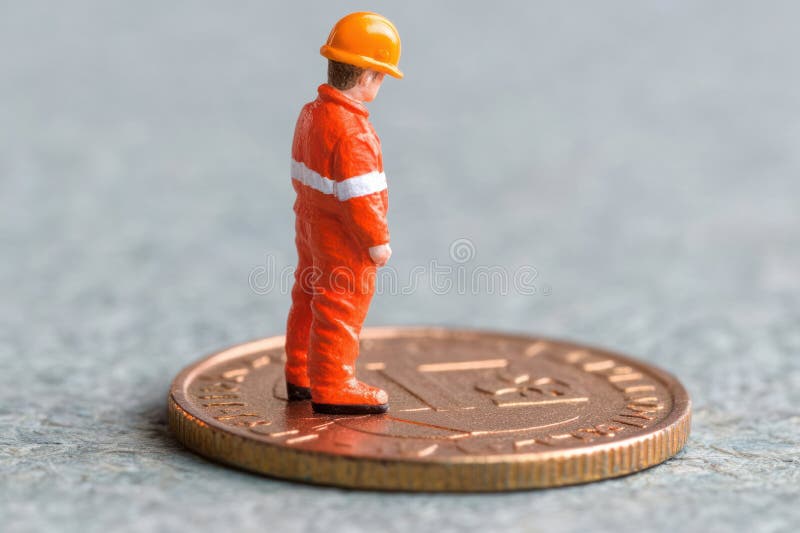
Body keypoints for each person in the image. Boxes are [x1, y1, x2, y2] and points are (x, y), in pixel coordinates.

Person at [284, 12, 403, 414]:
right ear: (367, 76)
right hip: (343, 234)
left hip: (309, 221)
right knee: (341, 303)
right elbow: (362, 196)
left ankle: (299, 372)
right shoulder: (354, 130)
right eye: (381, 76)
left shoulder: (310, 113)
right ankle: (333, 385)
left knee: (308, 294)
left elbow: (302, 172)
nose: (380, 84)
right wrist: (377, 243)